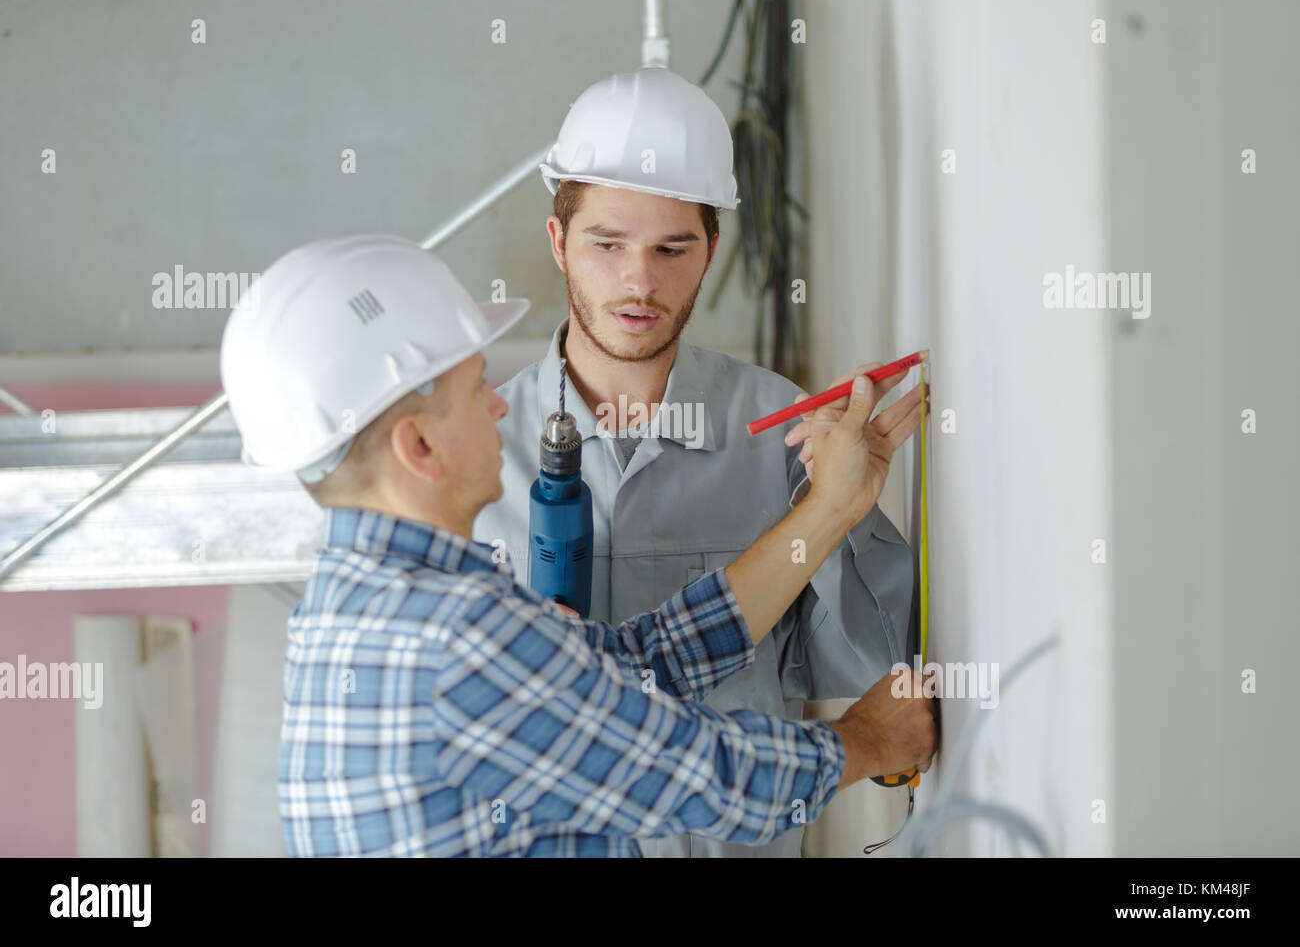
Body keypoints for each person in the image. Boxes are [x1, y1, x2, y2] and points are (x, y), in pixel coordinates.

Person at [219, 232, 935, 857]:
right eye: (476, 389)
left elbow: (633, 668)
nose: (501, 404)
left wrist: (830, 508)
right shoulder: (450, 634)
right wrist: (870, 739)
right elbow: (696, 776)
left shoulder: (353, 613)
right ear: (420, 445)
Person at [473, 66, 921, 857]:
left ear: (711, 249)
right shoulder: (480, 459)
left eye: (671, 247)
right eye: (606, 244)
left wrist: (842, 510)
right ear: (559, 243)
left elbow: (875, 658)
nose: (638, 280)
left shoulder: (770, 426)